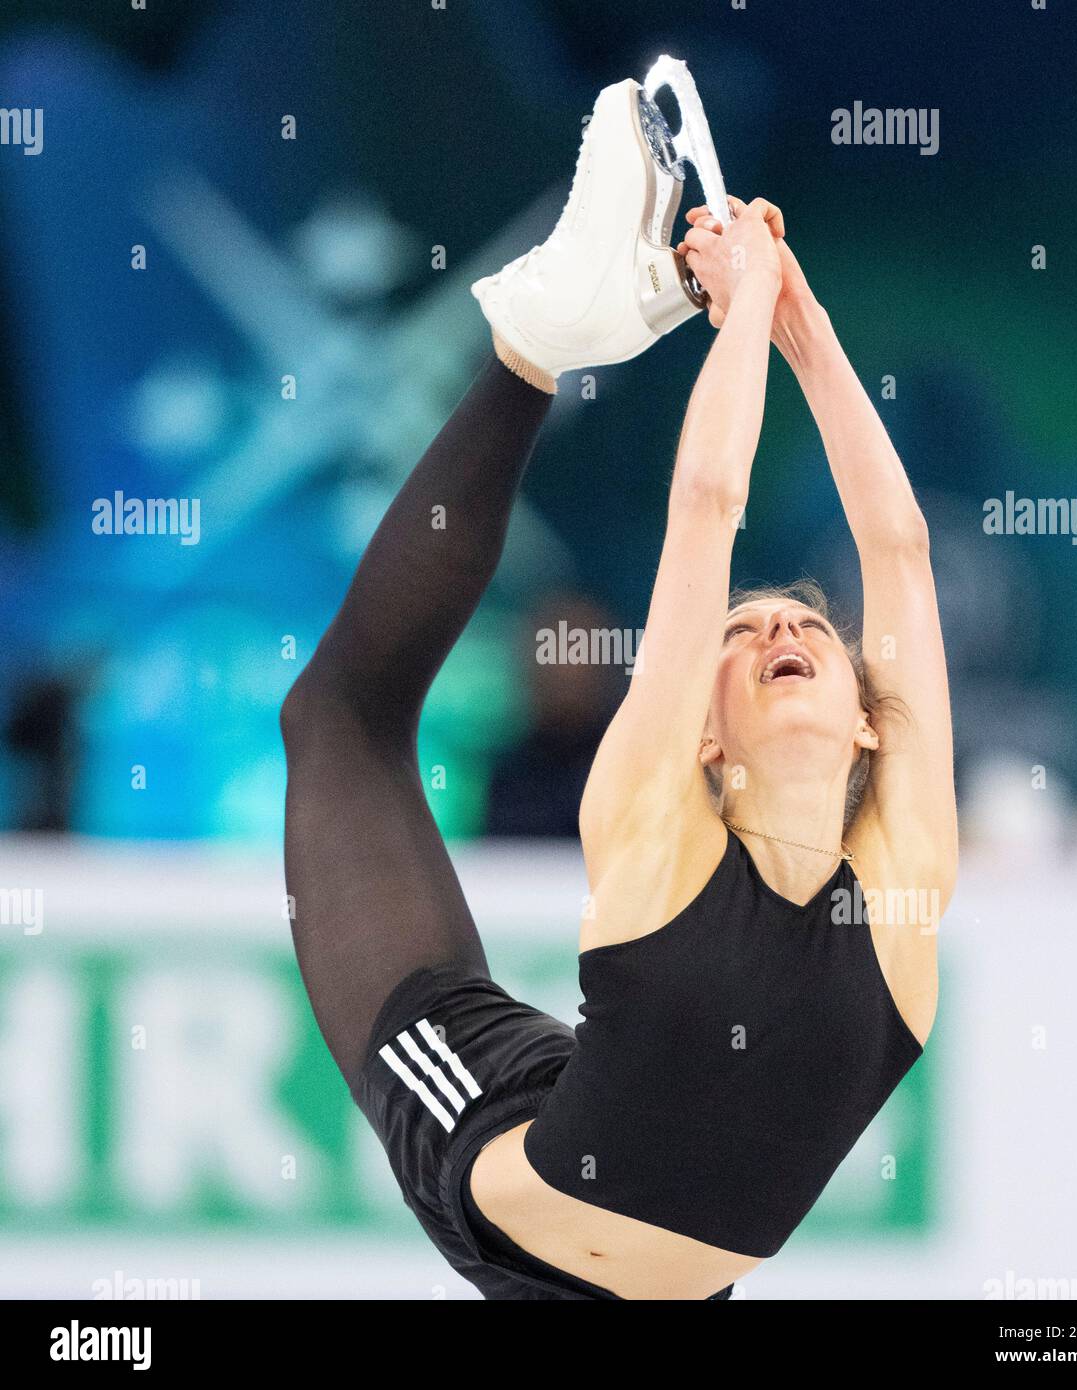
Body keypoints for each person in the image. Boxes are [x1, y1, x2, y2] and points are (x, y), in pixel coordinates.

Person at [281, 75, 955, 1300]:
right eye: (741, 637)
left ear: (870, 715)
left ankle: (550, 332)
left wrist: (789, 318)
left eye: (801, 625)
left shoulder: (906, 880)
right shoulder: (658, 825)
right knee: (336, 725)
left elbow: (896, 546)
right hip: (489, 1149)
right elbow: (708, 505)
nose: (775, 631)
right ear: (700, 735)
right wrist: (755, 310)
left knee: (341, 723)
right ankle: (536, 345)